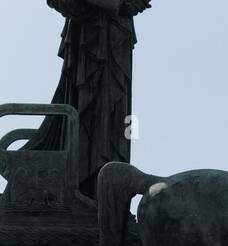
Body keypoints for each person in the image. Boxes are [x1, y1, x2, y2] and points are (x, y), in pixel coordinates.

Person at [33, 0, 152, 199]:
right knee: (87, 104)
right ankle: (82, 187)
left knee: (116, 114)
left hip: (117, 35)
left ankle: (107, 190)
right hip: (87, 36)